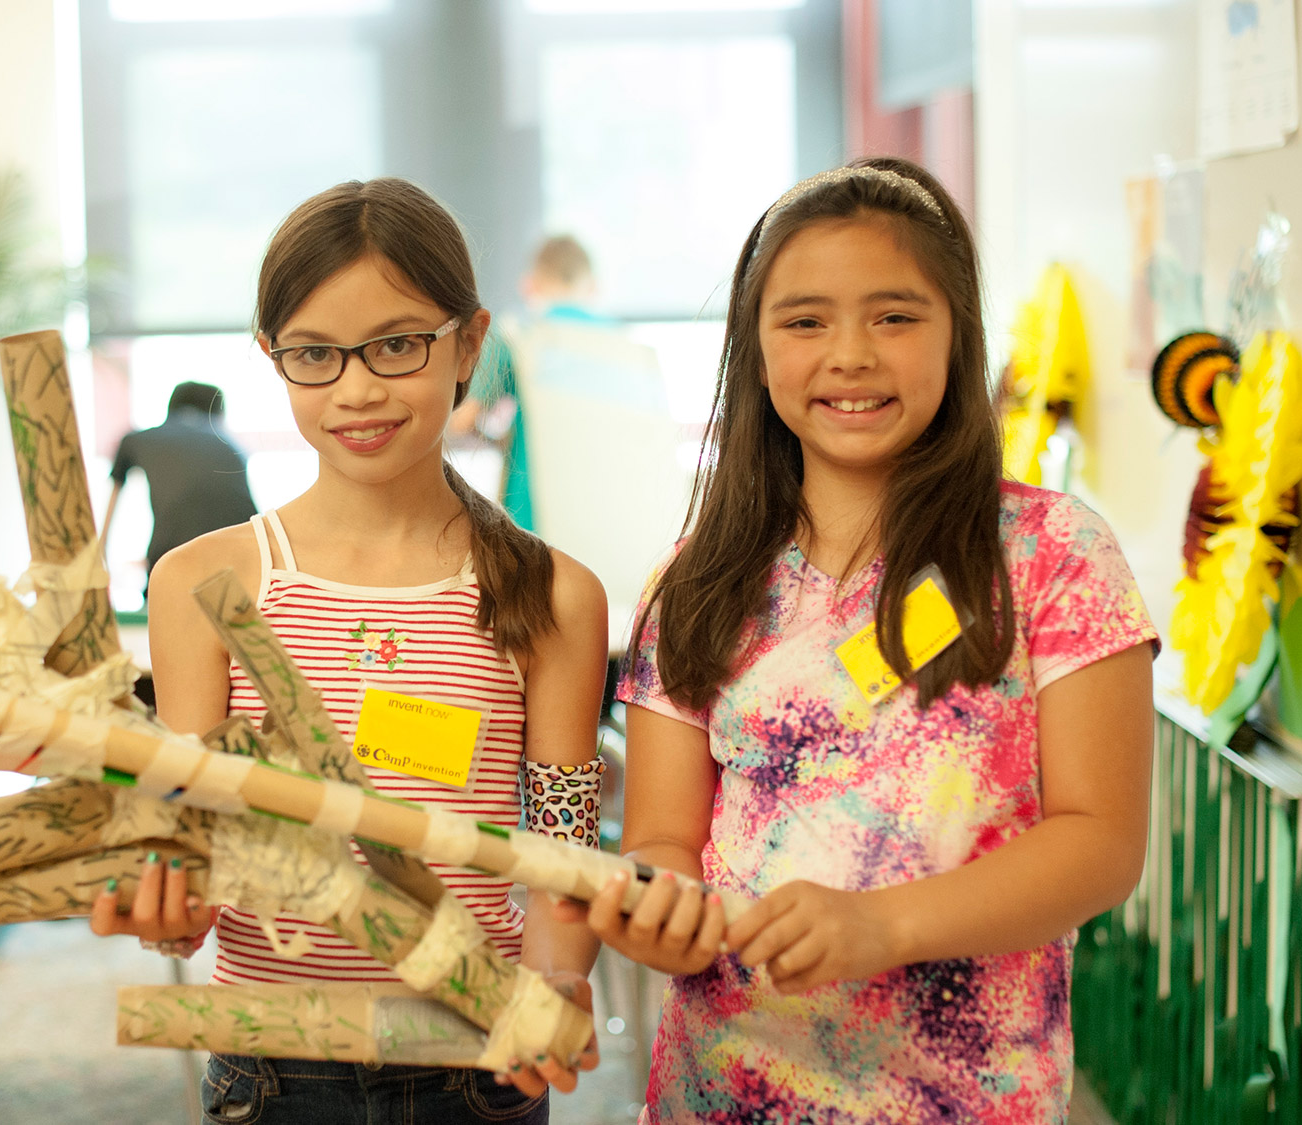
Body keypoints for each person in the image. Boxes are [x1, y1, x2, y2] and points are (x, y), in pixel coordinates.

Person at [575, 157, 1159, 1122]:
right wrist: (658, 913)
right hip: (723, 1090)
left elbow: (1101, 843)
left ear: (958, 335)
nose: (850, 353)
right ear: (755, 350)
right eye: (805, 321)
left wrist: (880, 924)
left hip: (965, 1098)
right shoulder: (694, 582)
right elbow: (664, 838)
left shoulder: (1053, 552)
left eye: (894, 315)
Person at [89, 179, 609, 1123]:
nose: (358, 389)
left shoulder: (552, 594)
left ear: (470, 341)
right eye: (316, 356)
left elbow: (564, 857)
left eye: (398, 344)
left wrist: (560, 981)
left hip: (478, 1064)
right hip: (274, 1066)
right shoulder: (207, 585)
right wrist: (166, 907)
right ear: (272, 358)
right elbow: (197, 850)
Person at [453, 235, 605, 530]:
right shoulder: (620, 346)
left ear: (528, 285)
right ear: (594, 287)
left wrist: (499, 439)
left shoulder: (517, 336)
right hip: (603, 512)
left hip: (533, 512)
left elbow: (462, 420)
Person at [104, 381, 259, 593]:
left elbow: (111, 507)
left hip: (171, 566)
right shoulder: (232, 446)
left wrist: (102, 566)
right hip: (244, 568)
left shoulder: (137, 440)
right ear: (217, 415)